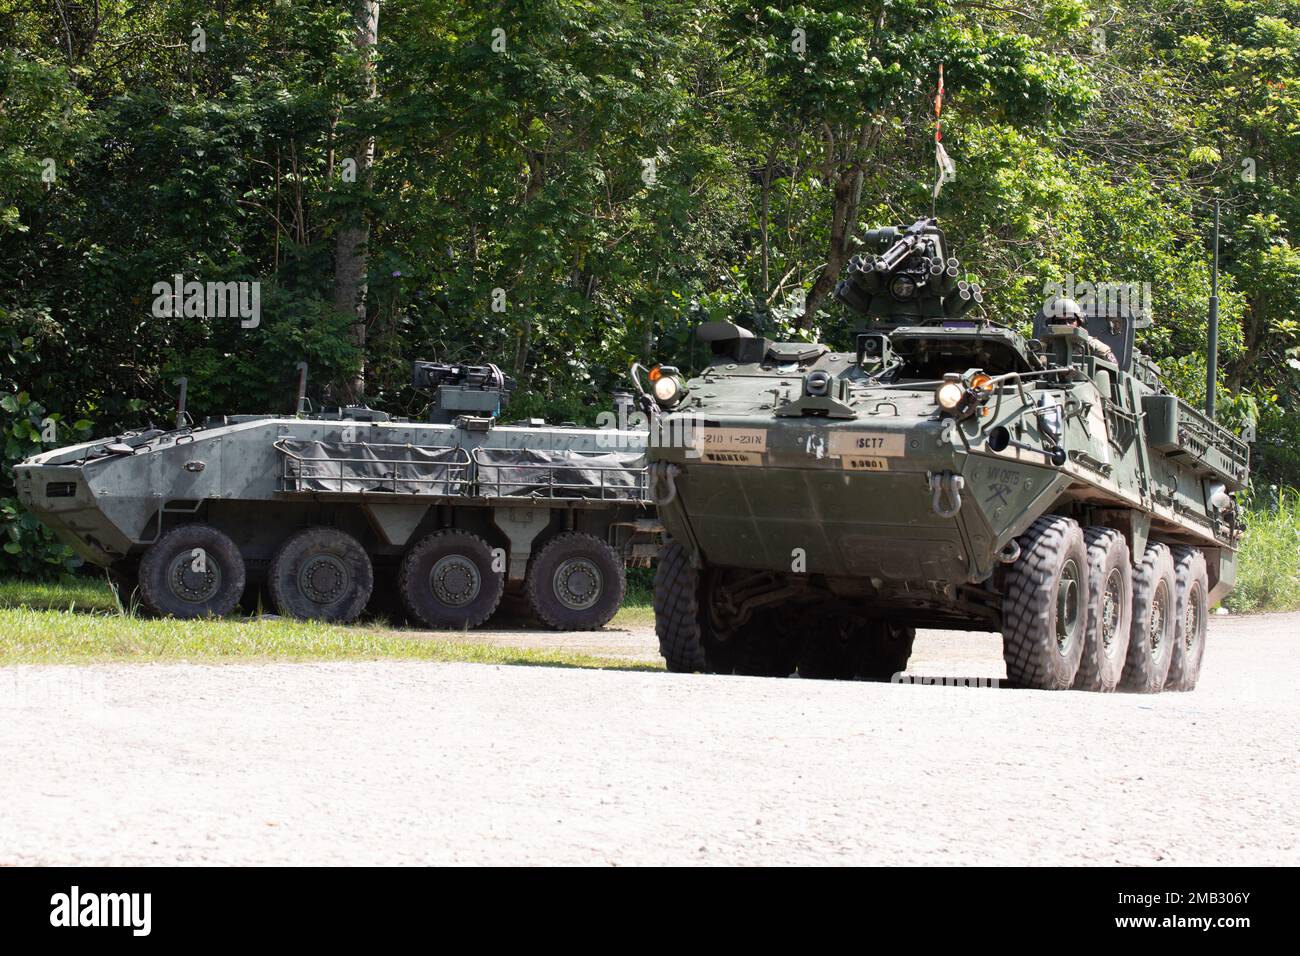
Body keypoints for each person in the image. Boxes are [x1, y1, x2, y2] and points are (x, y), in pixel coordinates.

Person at [1041, 296, 1118, 364]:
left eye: (1071, 320)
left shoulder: (1093, 346)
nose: (1066, 325)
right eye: (1060, 321)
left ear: (1079, 322)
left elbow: (1113, 368)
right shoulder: (1045, 345)